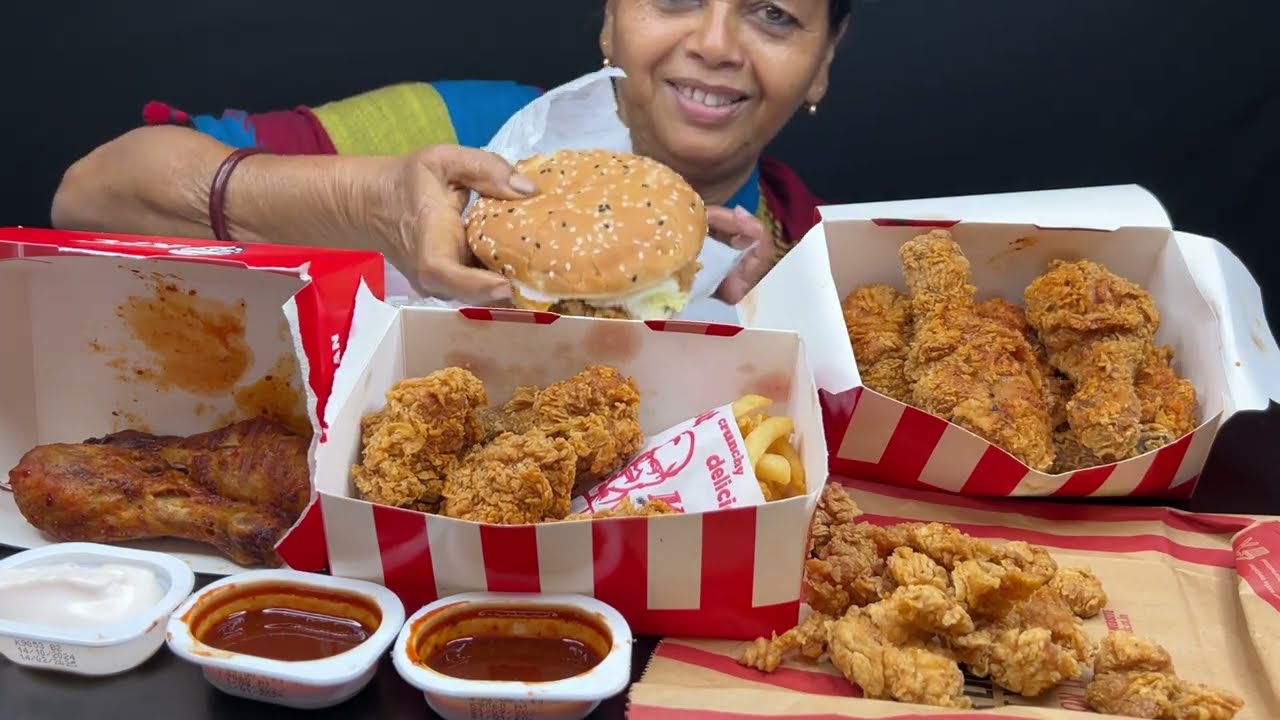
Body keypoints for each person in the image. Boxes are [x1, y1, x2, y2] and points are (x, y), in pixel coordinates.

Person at [51, 0, 849, 305]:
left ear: (823, 60)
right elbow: (90, 195)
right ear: (611, 22)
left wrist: (783, 329)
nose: (714, 44)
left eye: (773, 15)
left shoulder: (802, 233)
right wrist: (372, 202)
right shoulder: (452, 125)